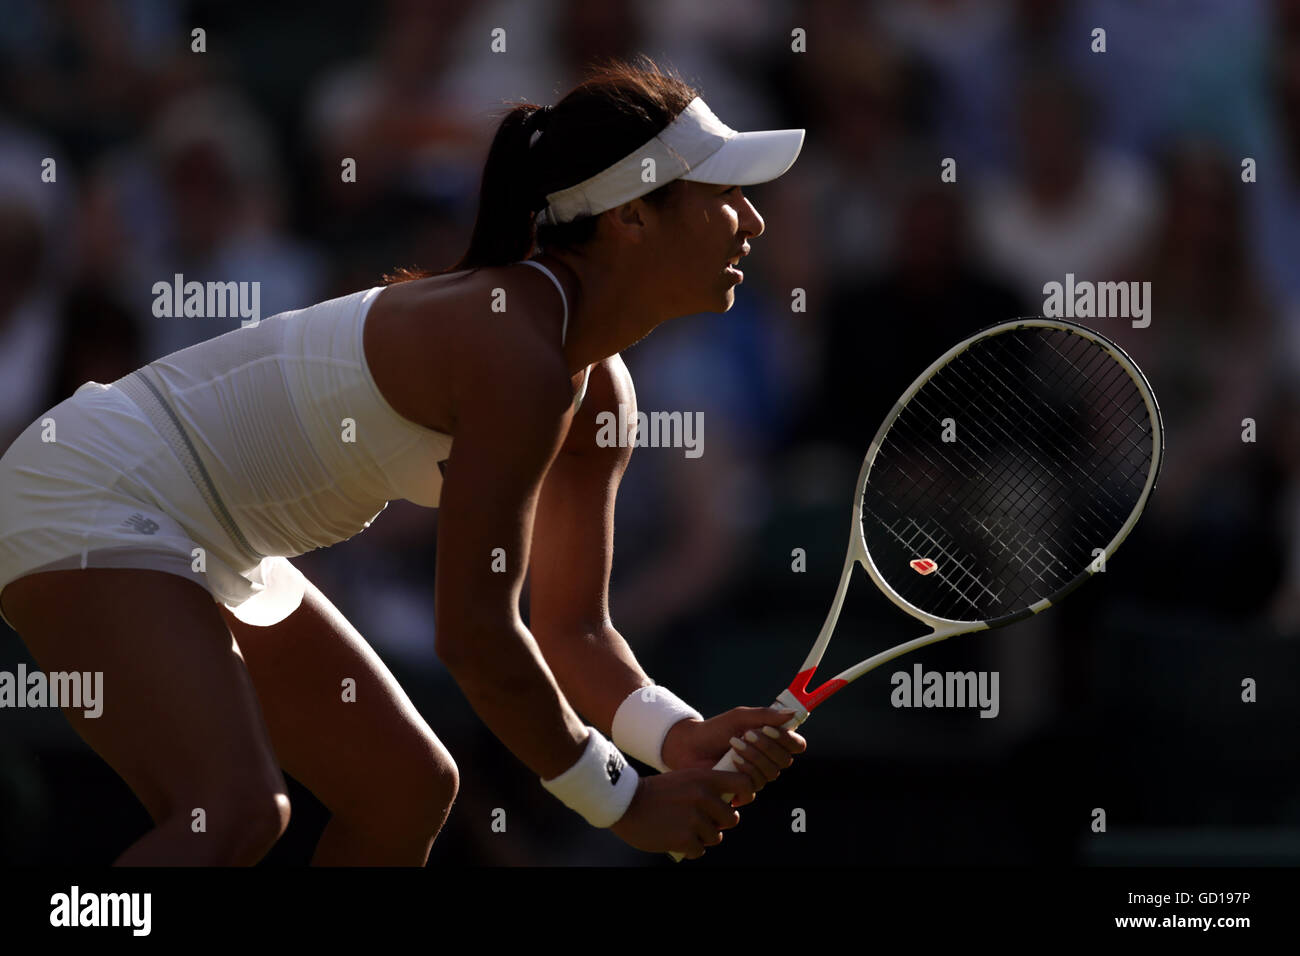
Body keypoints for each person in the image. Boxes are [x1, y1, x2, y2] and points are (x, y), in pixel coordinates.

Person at [0, 56, 807, 864]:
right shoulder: (516, 361)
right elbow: (476, 638)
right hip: (99, 485)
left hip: (214, 534)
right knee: (234, 812)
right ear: (631, 217)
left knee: (406, 793)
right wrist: (622, 800)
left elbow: (574, 631)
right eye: (724, 194)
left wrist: (674, 737)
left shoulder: (596, 393)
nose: (753, 221)